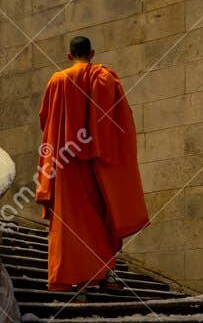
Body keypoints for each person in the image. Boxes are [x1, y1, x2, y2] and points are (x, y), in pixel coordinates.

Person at [35, 35, 150, 294]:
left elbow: (46, 120)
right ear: (93, 53)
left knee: (68, 224)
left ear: (69, 56)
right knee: (101, 218)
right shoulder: (105, 78)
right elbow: (120, 120)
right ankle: (104, 274)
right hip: (97, 165)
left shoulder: (57, 81)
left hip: (65, 165)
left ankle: (69, 281)